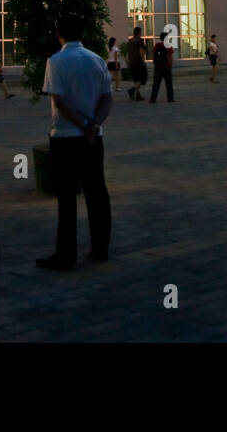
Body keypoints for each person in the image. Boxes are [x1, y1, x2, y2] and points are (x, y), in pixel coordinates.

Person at [37, 15, 113, 270]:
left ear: (59, 33)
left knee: (67, 198)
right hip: (93, 139)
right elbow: (106, 99)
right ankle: (101, 248)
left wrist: (81, 125)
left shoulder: (56, 61)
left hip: (66, 137)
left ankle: (66, 254)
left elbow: (59, 100)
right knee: (97, 193)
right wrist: (94, 125)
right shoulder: (97, 60)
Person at [124, 26, 148, 101]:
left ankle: (138, 95)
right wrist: (143, 61)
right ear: (139, 33)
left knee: (136, 79)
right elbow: (141, 51)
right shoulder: (139, 41)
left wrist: (127, 62)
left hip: (132, 63)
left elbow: (127, 53)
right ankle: (132, 89)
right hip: (139, 62)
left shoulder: (130, 41)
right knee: (142, 78)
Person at [149, 31, 174, 103]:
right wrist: (170, 66)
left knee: (156, 84)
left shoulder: (157, 45)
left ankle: (153, 98)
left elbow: (153, 55)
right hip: (166, 67)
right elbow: (170, 57)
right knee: (169, 84)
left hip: (157, 67)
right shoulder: (168, 46)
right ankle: (170, 98)